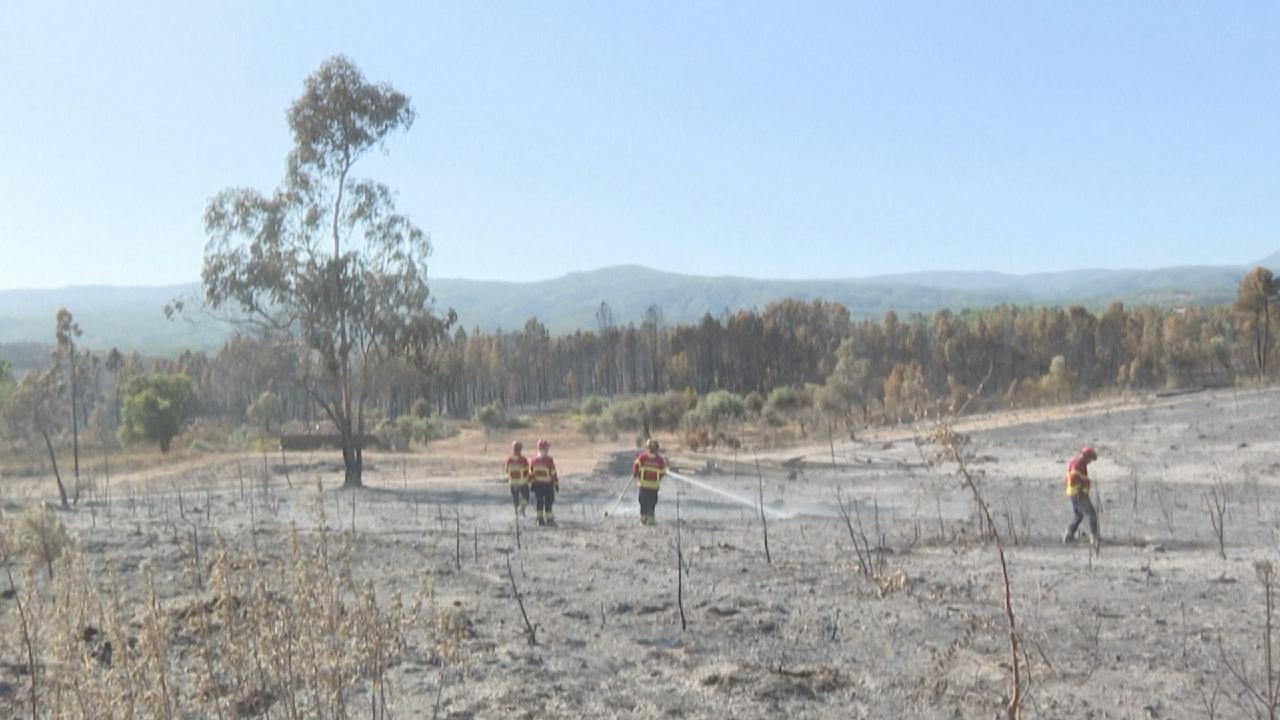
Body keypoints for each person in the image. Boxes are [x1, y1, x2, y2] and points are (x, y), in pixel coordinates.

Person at [1062, 446, 1100, 546]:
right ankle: (1094, 539)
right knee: (1091, 515)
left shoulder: (1075, 462)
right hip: (1078, 494)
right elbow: (1074, 479)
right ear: (1087, 457)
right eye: (1090, 460)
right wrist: (1080, 490)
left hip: (1071, 493)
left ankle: (1068, 536)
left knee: (1078, 515)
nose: (1090, 462)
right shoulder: (1079, 464)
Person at [632, 438, 667, 525]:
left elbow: (636, 466)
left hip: (643, 485)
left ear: (648, 448)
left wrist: (635, 474)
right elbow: (663, 472)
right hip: (654, 486)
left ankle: (643, 520)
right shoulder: (659, 460)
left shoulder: (642, 458)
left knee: (643, 502)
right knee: (652, 502)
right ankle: (651, 520)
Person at [529, 438, 559, 526]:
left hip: (538, 485)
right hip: (548, 485)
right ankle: (549, 520)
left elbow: (530, 473)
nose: (548, 449)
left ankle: (540, 520)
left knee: (539, 502)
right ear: (545, 448)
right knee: (549, 501)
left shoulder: (533, 460)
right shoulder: (549, 460)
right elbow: (553, 473)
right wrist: (556, 484)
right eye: (547, 447)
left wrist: (532, 483)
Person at [504, 441, 530, 516]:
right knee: (526, 497)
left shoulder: (509, 460)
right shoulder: (523, 460)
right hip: (522, 483)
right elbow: (527, 470)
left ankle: (516, 512)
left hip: (513, 483)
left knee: (515, 498)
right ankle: (522, 509)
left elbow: (506, 470)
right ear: (520, 449)